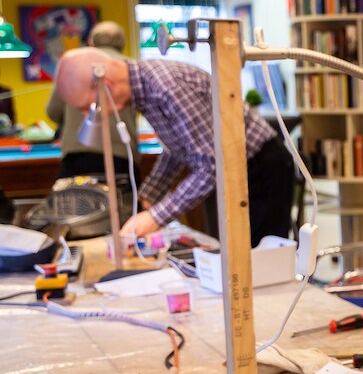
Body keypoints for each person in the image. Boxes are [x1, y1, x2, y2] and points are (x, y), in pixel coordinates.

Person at [52, 47, 293, 246]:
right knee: (238, 256)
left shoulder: (167, 88)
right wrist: (148, 198)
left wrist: (156, 217)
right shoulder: (145, 92)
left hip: (262, 168)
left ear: (107, 85)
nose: (88, 114)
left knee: (263, 259)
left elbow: (210, 165)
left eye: (88, 106)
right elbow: (179, 149)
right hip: (238, 167)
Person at [46, 21, 142, 180]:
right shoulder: (131, 68)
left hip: (77, 156)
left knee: (75, 204)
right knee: (124, 204)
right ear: (122, 44)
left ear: (91, 42)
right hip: (122, 155)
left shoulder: (72, 67)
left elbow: (53, 112)